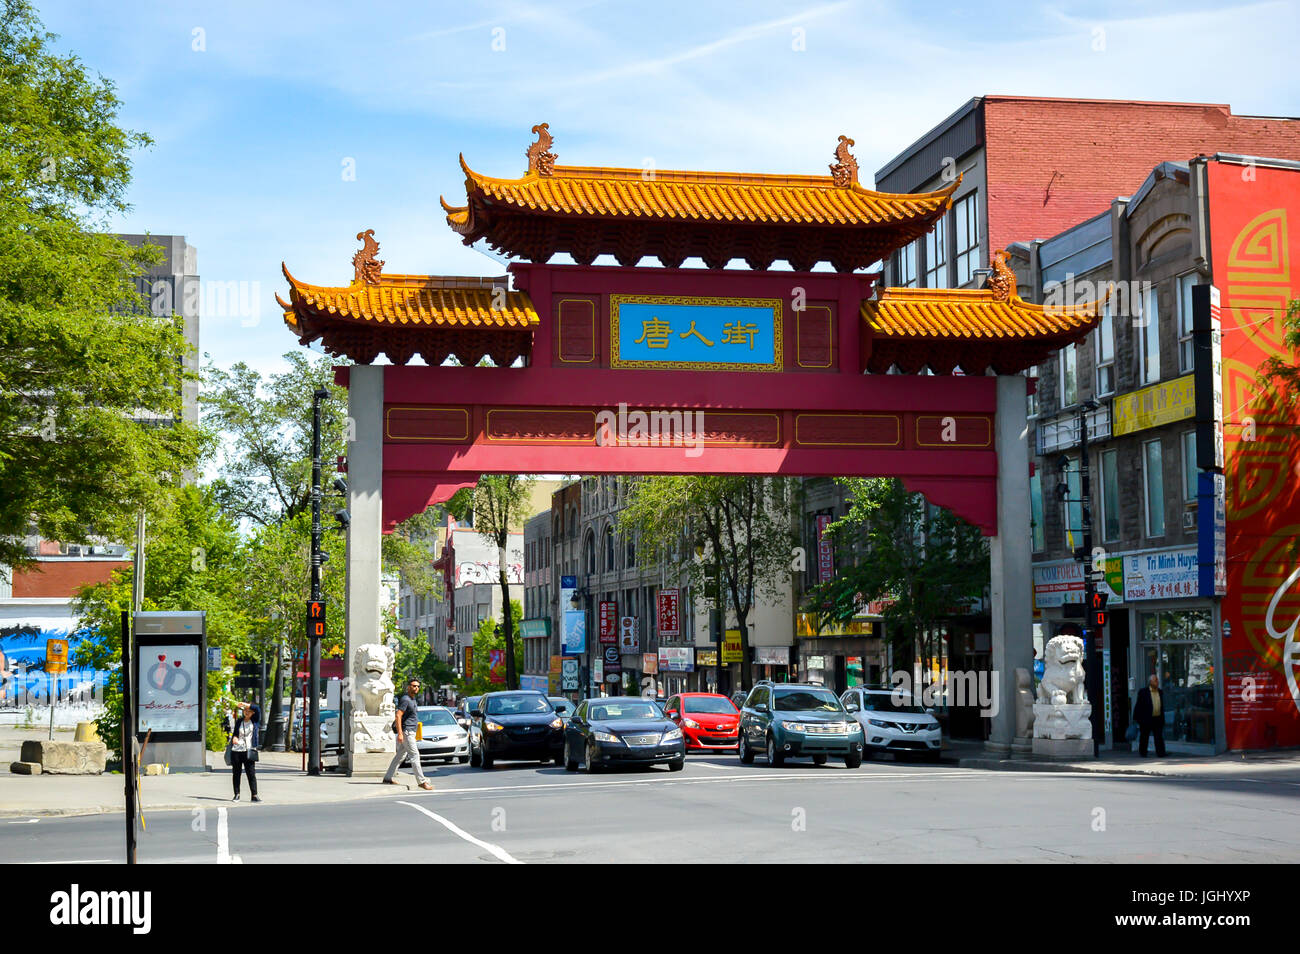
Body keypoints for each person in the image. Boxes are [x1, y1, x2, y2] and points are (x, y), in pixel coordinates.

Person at [383, 678, 433, 790]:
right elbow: (398, 715)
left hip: (411, 731)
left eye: (418, 686)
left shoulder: (413, 699)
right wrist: (400, 733)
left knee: (400, 755)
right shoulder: (406, 699)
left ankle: (388, 777)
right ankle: (421, 781)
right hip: (407, 732)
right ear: (408, 687)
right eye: (414, 686)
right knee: (415, 755)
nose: (416, 688)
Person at [229, 701, 262, 801]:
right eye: (245, 711)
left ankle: (254, 795)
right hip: (237, 750)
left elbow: (257, 708)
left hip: (249, 750)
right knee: (236, 773)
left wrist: (244, 704)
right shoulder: (239, 721)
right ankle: (237, 794)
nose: (247, 712)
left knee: (251, 773)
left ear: (253, 713)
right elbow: (235, 733)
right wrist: (234, 738)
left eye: (249, 711)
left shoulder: (255, 721)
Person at [1132, 675, 1166, 758]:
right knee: (1144, 736)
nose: (1157, 682)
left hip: (1157, 717)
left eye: (1157, 680)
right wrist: (1138, 719)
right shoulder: (1143, 692)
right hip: (1146, 718)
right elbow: (1138, 706)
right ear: (1150, 682)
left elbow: (1161, 706)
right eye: (1155, 680)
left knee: (1158, 736)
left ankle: (1161, 753)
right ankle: (1143, 752)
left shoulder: (1160, 692)